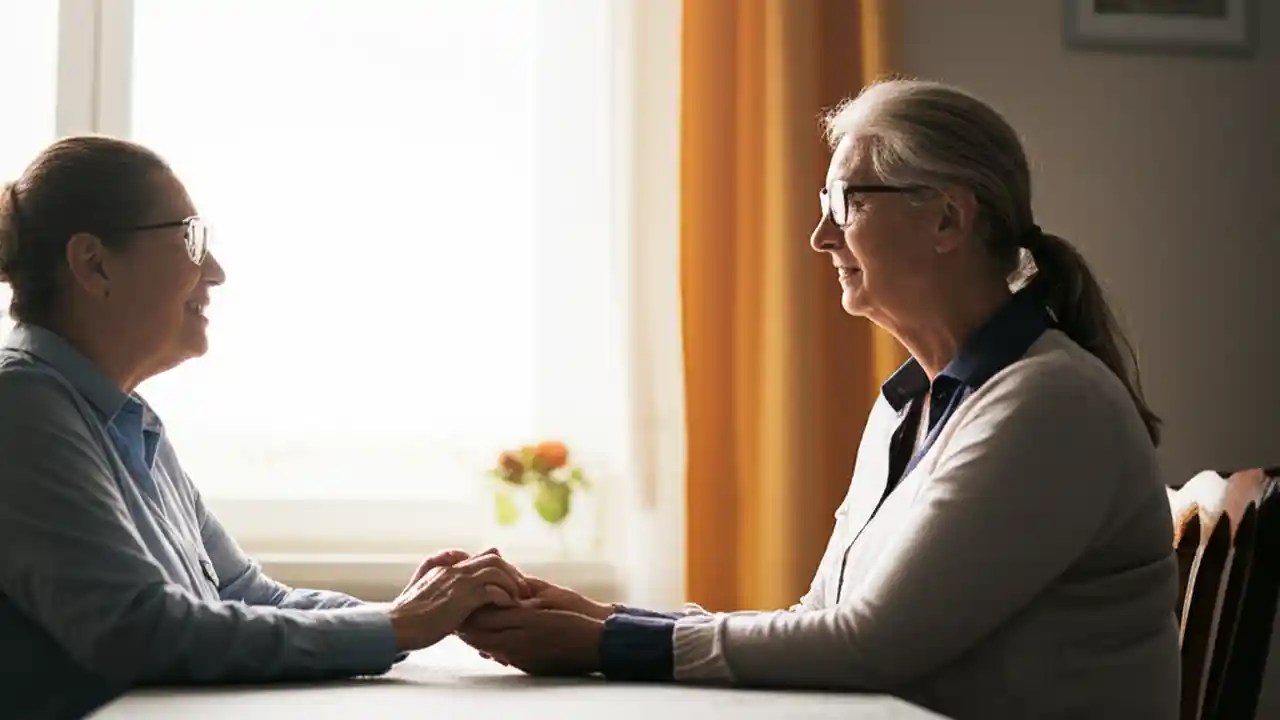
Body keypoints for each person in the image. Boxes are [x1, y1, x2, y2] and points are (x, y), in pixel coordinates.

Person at [459, 79, 1181, 719]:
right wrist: (606, 618)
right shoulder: (909, 405)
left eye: (846, 201)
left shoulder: (1048, 401)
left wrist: (607, 640)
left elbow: (868, 644)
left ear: (948, 220)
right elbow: (821, 621)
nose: (820, 235)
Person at [0, 136, 526, 718]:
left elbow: (248, 596)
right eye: (189, 239)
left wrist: (416, 611)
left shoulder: (127, 420)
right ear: (94, 263)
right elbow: (139, 630)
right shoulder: (20, 405)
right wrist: (399, 625)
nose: (216, 272)